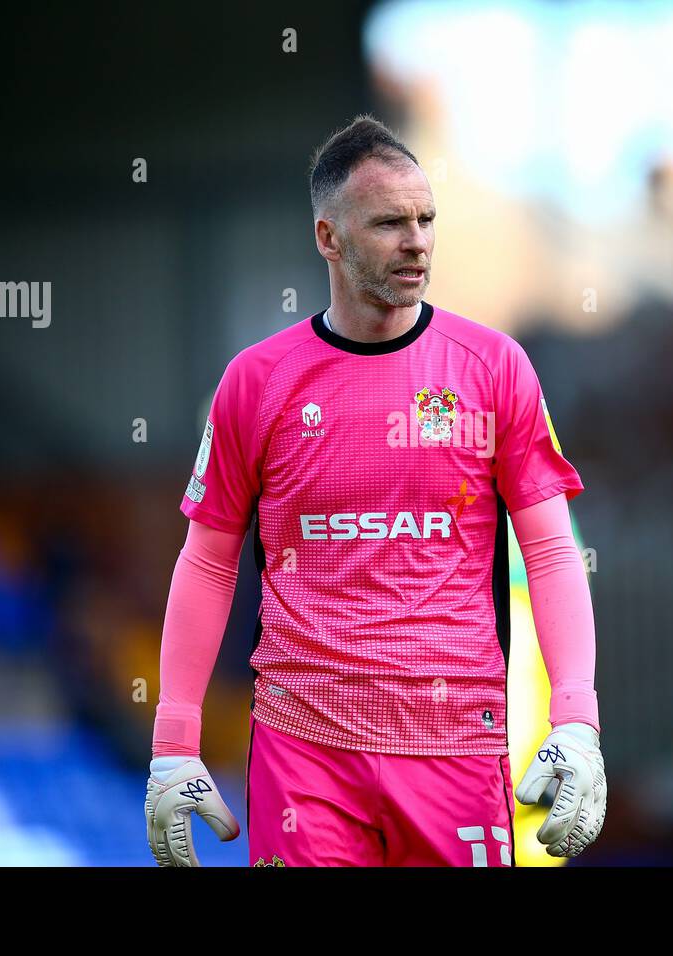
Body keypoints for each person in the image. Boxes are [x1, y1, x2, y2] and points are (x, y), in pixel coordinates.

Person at [143, 115, 605, 867]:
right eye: (390, 223)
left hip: (456, 743)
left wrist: (576, 720)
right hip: (305, 750)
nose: (417, 240)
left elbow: (552, 552)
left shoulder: (495, 368)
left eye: (426, 219)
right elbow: (206, 561)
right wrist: (174, 743)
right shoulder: (256, 383)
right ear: (328, 238)